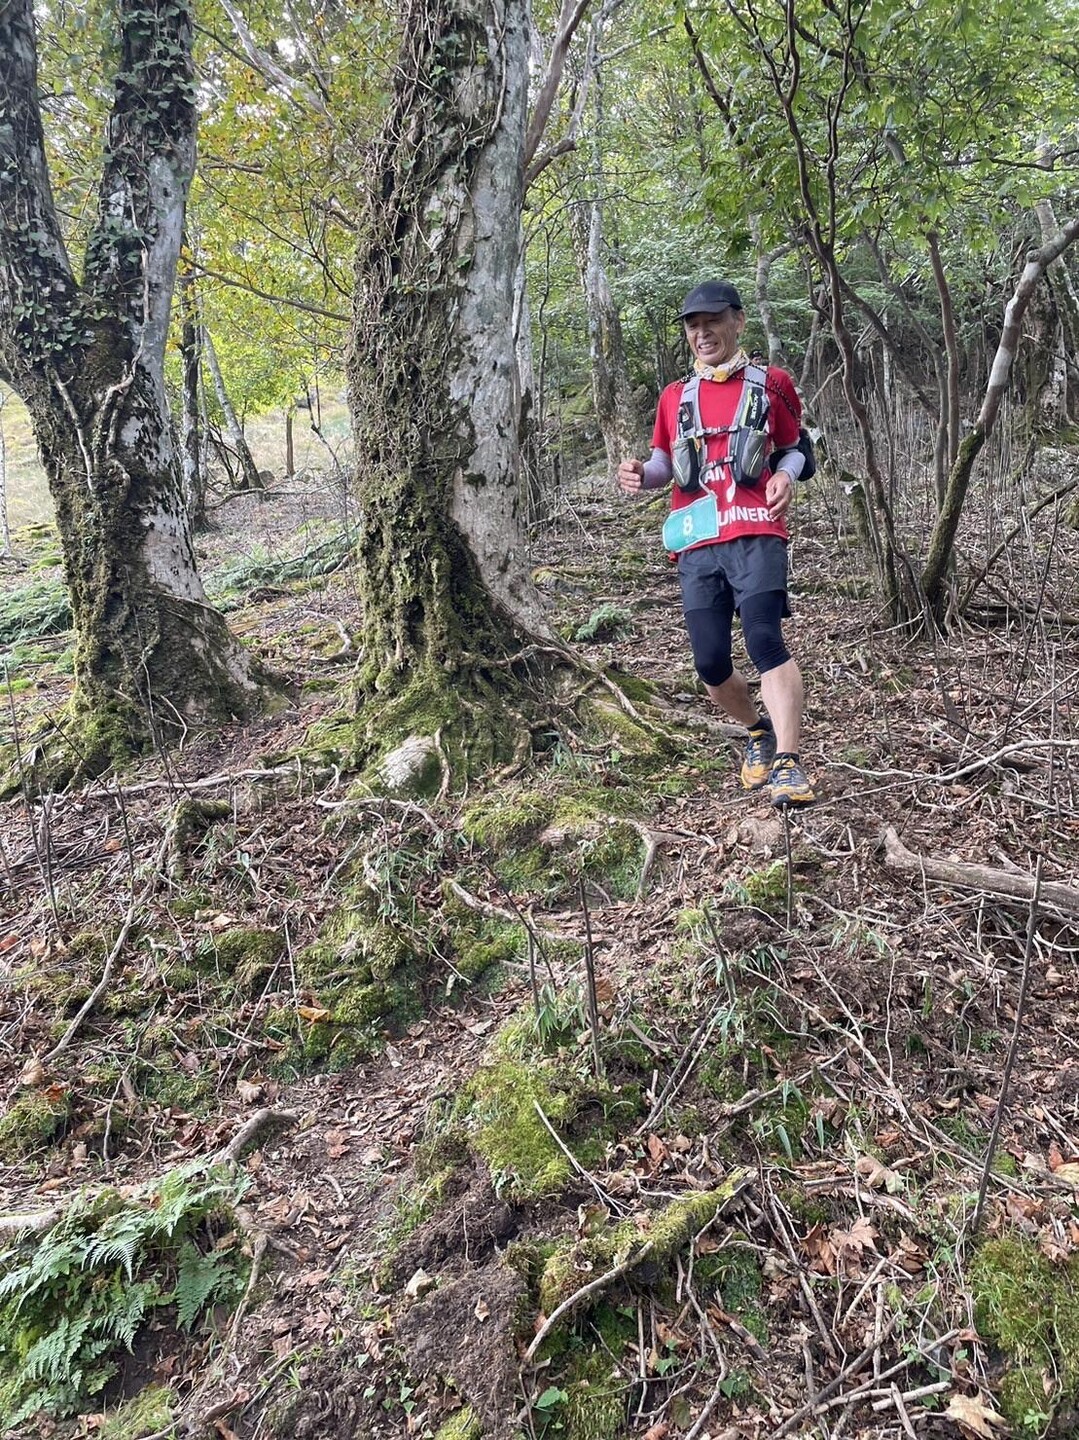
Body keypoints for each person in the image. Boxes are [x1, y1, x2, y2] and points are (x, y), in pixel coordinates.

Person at [617, 280, 815, 806]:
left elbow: (797, 449)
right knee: (709, 661)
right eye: (693, 325)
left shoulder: (772, 384)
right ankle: (757, 732)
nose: (702, 333)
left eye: (713, 321)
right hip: (697, 537)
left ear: (738, 322)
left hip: (755, 529)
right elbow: (665, 463)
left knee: (763, 638)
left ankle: (790, 764)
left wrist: (786, 477)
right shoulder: (673, 396)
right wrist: (642, 472)